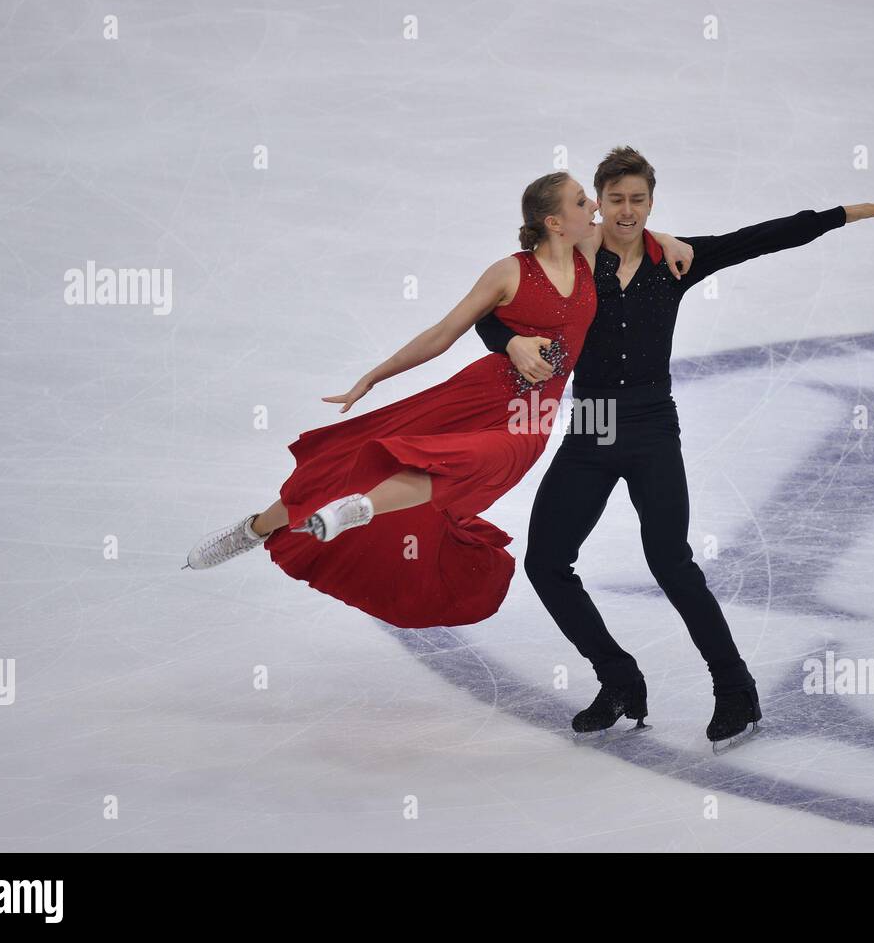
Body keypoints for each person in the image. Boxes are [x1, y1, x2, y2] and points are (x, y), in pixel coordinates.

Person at [475, 145, 874, 746]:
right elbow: (496, 311)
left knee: (670, 561)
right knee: (545, 562)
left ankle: (735, 690)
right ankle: (618, 678)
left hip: (649, 425)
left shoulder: (676, 261)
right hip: (590, 422)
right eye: (614, 200)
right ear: (596, 203)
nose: (626, 210)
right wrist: (508, 343)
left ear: (651, 201)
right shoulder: (568, 263)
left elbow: (759, 238)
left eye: (637, 200)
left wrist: (836, 215)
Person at [182, 170, 695, 630]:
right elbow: (444, 332)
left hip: (529, 416)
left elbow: (639, 238)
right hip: (476, 395)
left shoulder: (589, 254)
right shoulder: (509, 272)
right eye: (583, 202)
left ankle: (359, 509)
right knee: (352, 464)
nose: (597, 209)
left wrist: (668, 238)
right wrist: (375, 376)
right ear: (555, 223)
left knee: (475, 460)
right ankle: (256, 528)